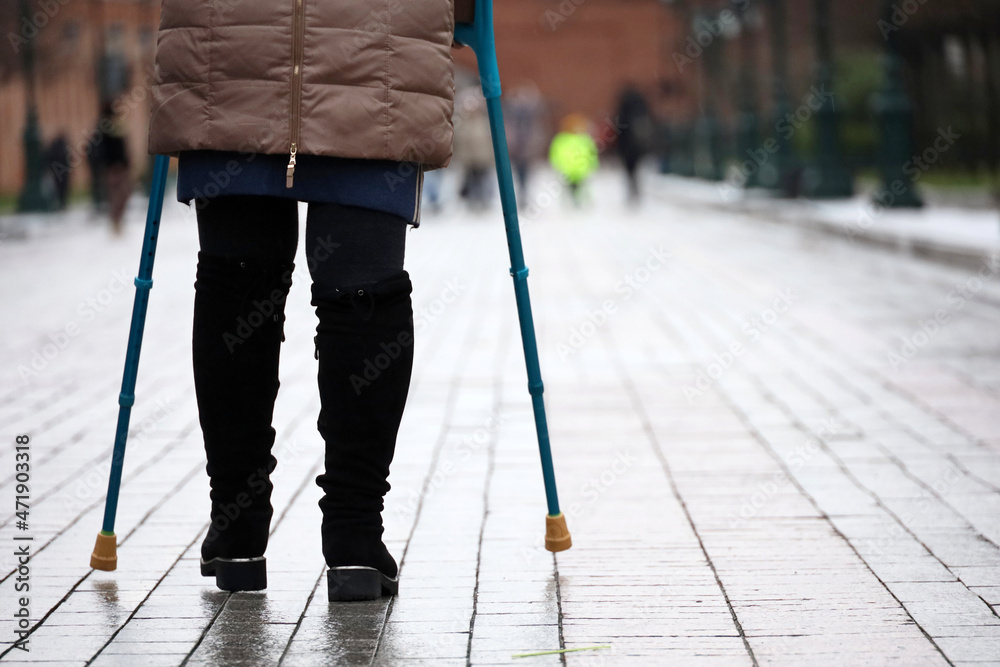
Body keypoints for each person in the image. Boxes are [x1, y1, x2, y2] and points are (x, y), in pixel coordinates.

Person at [148, 0, 461, 600]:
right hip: (377, 54)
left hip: (231, 47)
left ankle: (238, 528)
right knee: (361, 288)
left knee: (239, 288)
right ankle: (354, 540)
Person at [549, 114, 599, 207]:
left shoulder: (584, 139)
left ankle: (579, 202)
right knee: (571, 187)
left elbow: (591, 153)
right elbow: (555, 154)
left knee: (579, 187)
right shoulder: (561, 140)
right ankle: (575, 202)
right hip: (568, 170)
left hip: (580, 170)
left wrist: (592, 164)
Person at [614, 86, 653, 204]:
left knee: (630, 171)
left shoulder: (624, 113)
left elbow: (619, 130)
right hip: (636, 148)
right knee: (635, 170)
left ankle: (632, 190)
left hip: (627, 148)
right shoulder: (641, 111)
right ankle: (635, 191)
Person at [98, 101, 132, 235]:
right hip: (113, 167)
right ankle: (116, 221)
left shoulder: (116, 127)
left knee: (121, 194)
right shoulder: (106, 128)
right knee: (117, 195)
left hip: (117, 167)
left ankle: (117, 220)